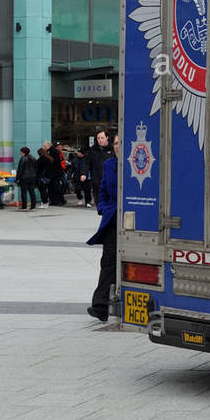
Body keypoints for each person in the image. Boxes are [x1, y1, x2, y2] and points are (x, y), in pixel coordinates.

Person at [87, 132, 119, 322]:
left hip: (131, 219)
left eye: (120, 142)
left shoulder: (135, 164)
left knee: (116, 263)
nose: (117, 145)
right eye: (115, 142)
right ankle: (100, 306)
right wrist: (103, 208)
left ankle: (105, 303)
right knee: (108, 262)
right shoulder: (109, 164)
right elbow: (103, 189)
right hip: (112, 218)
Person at [85, 129, 110, 208]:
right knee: (99, 205)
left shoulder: (112, 149)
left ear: (107, 138)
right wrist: (84, 173)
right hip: (97, 182)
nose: (100, 140)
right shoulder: (92, 150)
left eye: (102, 138)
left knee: (109, 205)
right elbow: (87, 163)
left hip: (110, 182)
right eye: (98, 138)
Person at [15, 147, 38, 211]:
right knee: (32, 192)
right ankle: (33, 206)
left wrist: (17, 178)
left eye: (21, 152)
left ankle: (24, 206)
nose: (20, 153)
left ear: (23, 152)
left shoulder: (23, 159)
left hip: (24, 178)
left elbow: (20, 169)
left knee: (24, 192)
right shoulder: (33, 158)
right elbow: (36, 168)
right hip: (32, 177)